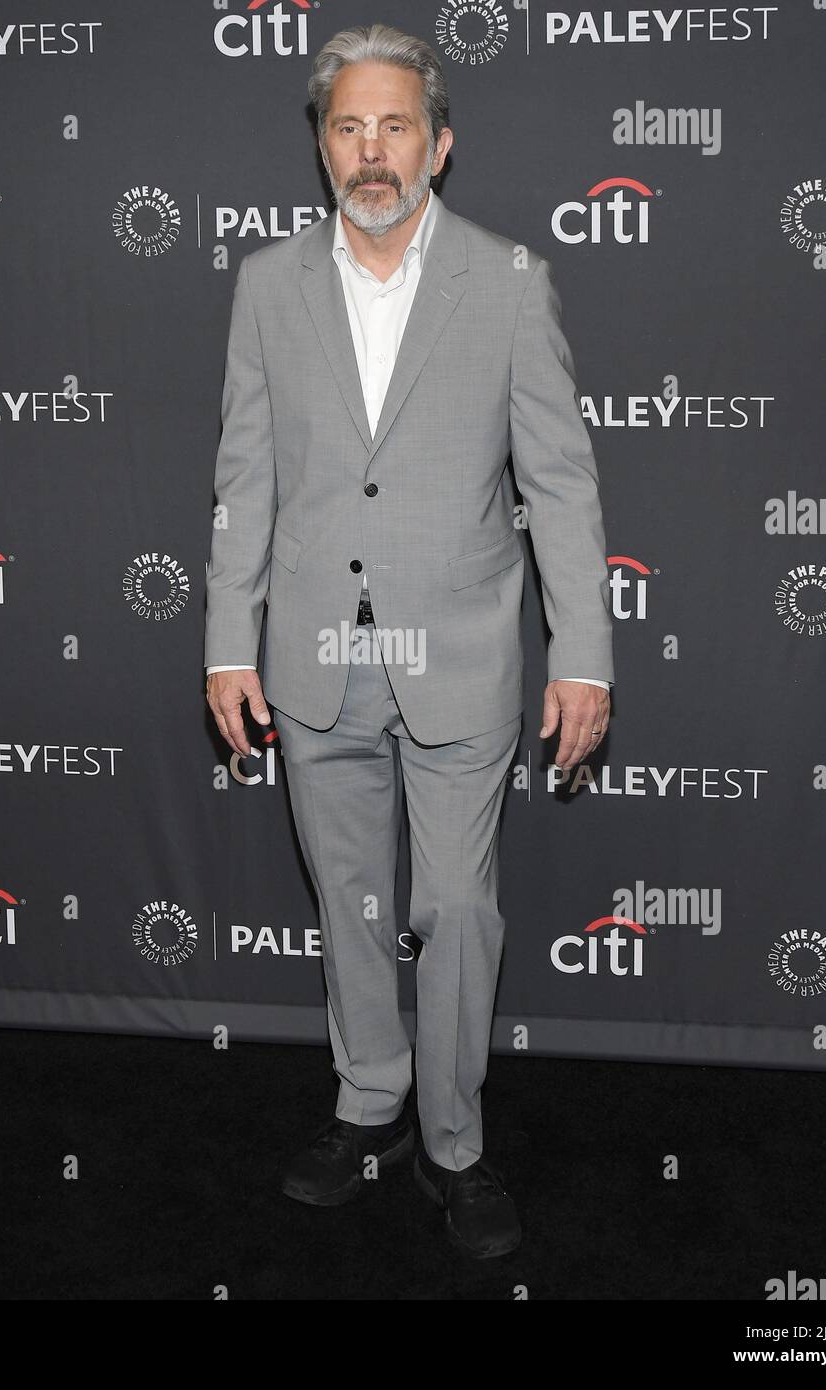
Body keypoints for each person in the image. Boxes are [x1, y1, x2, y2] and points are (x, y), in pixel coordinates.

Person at [205, 22, 614, 1259]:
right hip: (313, 657)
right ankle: (367, 1097)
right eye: (346, 127)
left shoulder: (505, 281)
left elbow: (561, 478)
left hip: (465, 655)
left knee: (449, 903)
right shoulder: (268, 282)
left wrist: (583, 653)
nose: (369, 152)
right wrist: (229, 638)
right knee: (349, 899)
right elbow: (246, 470)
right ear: (320, 146)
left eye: (393, 127)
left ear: (437, 144)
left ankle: (451, 1137)